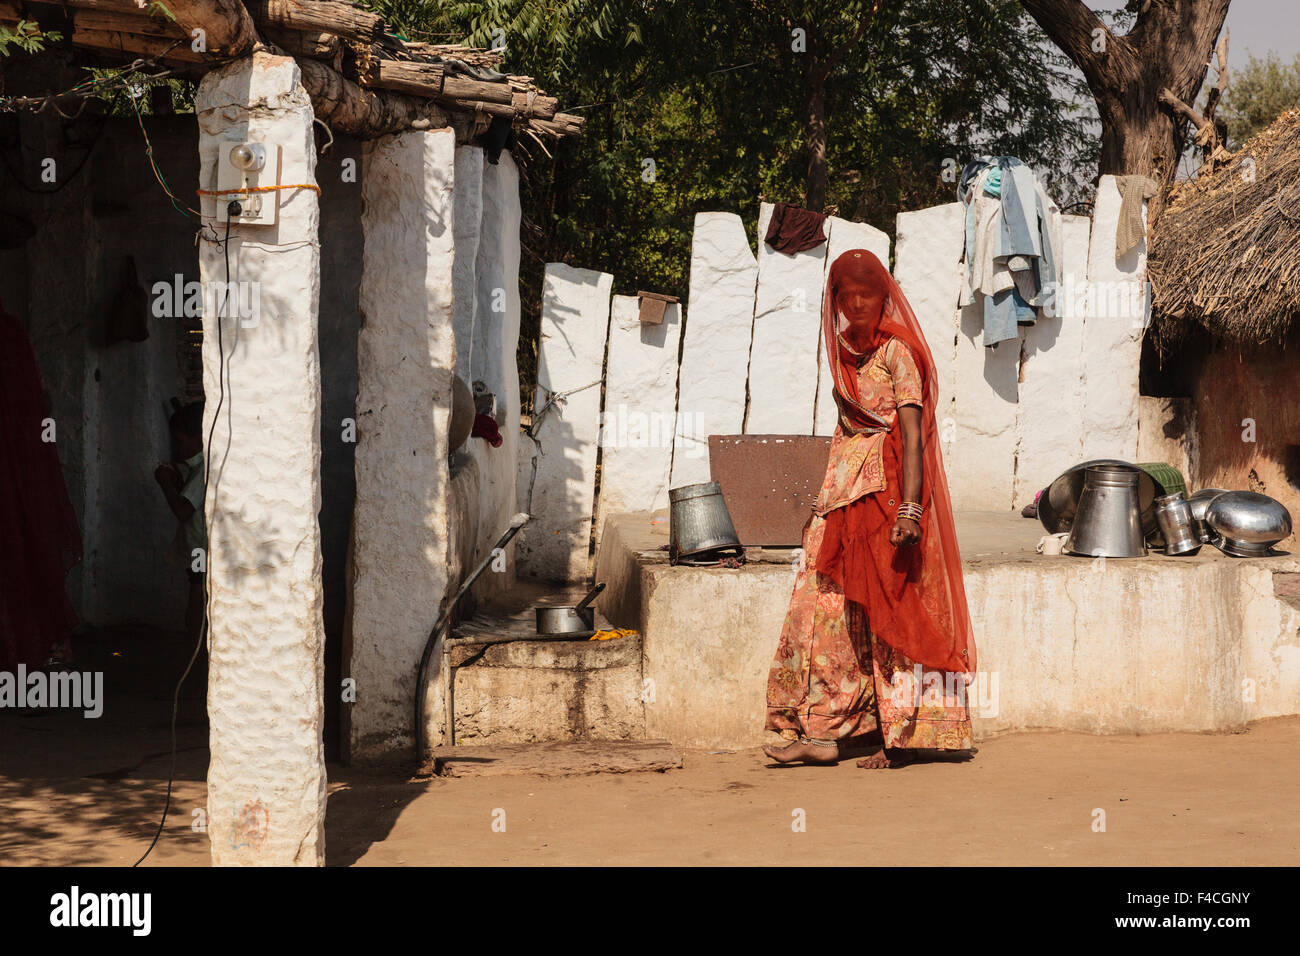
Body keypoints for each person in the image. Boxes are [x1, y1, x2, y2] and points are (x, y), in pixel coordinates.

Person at [763, 249, 978, 769]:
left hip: (886, 492)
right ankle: (821, 728)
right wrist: (824, 502)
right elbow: (846, 431)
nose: (857, 305)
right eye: (846, 296)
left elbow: (912, 434)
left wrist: (910, 510)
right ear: (835, 301)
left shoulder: (897, 353)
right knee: (822, 612)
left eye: (867, 295)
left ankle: (903, 737)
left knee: (890, 608)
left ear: (884, 298)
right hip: (842, 491)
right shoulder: (844, 351)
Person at [0, 302, 83, 670]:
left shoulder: (9, 334)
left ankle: (30, 667)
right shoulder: (11, 332)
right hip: (19, 483)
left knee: (22, 559)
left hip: (16, 482)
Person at [154, 402, 206, 643]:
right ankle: (196, 644)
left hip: (200, 549)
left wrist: (165, 483)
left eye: (181, 441)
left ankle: (195, 644)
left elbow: (183, 511)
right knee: (197, 591)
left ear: (199, 438)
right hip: (199, 548)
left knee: (197, 595)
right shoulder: (195, 467)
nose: (177, 447)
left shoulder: (203, 470)